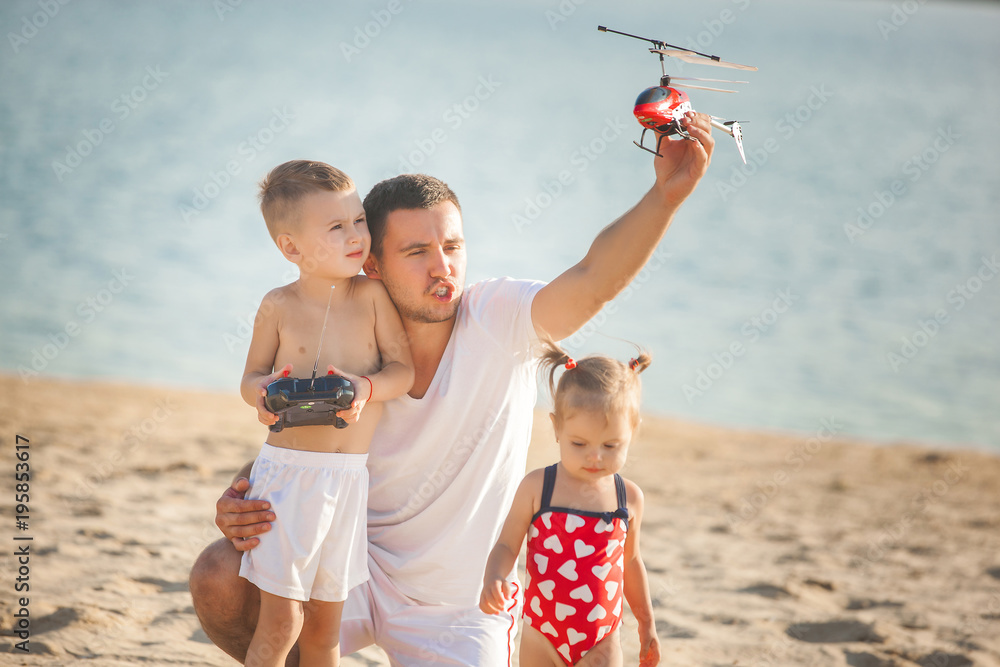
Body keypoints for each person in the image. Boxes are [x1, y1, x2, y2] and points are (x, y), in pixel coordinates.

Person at [190, 112, 715, 666]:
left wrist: (664, 198)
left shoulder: (499, 318)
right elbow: (303, 436)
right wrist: (245, 493)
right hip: (354, 571)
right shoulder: (350, 324)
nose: (443, 267)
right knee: (220, 576)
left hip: (457, 608)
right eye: (417, 252)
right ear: (371, 263)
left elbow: (593, 280)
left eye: (453, 246)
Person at [237, 160, 414, 666]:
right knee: (282, 620)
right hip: (287, 478)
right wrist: (264, 394)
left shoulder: (373, 296)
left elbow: (403, 370)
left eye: (359, 220)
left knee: (324, 629)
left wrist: (367, 387)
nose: (357, 235)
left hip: (347, 480)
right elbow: (249, 379)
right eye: (336, 227)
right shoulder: (278, 304)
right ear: (291, 247)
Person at [480, 344, 659, 666]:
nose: (595, 456)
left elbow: (631, 562)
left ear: (633, 432)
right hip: (541, 633)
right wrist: (494, 576)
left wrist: (646, 622)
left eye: (610, 445)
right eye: (579, 443)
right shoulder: (538, 487)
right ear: (556, 427)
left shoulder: (628, 498)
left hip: (602, 637)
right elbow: (508, 544)